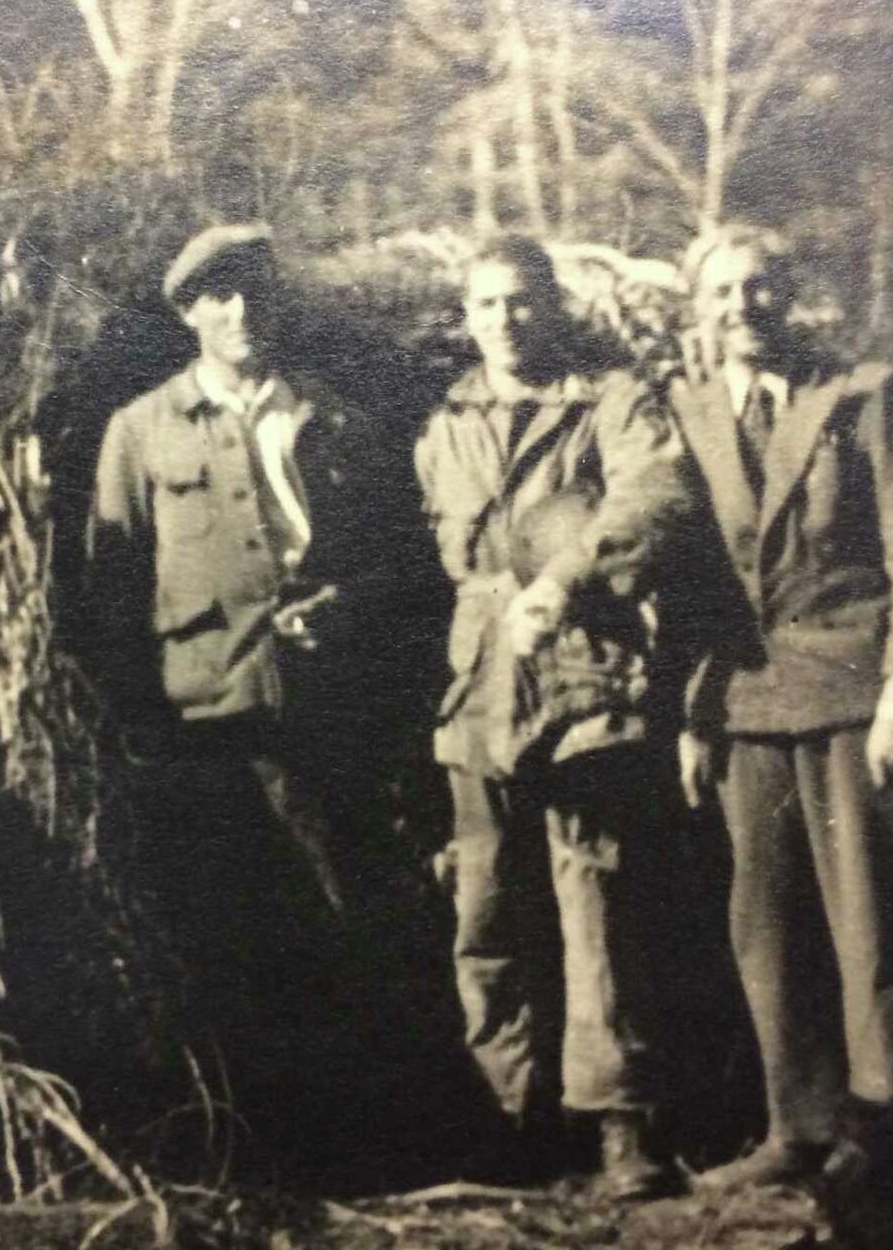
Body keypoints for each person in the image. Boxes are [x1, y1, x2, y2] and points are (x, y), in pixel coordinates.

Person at [669, 224, 893, 1213]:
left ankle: (886, 1124)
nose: (741, 307)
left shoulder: (861, 398)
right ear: (696, 309)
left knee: (865, 918)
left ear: (786, 297)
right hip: (747, 694)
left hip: (848, 683)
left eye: (758, 288)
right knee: (765, 920)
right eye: (721, 293)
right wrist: (694, 714)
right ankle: (796, 1125)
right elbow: (692, 580)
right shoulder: (690, 411)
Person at [85, 223, 382, 1173]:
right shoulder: (140, 431)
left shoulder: (325, 417)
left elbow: (390, 559)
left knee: (340, 912)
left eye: (254, 290)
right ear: (189, 314)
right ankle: (255, 1144)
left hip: (322, 706)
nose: (241, 311)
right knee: (230, 926)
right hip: (204, 720)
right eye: (219, 296)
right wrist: (136, 724)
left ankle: (358, 1138)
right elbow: (111, 587)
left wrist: (349, 605)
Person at [414, 235, 689, 1198]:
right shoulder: (446, 421)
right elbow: (442, 552)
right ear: (467, 313)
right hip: (481, 680)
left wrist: (568, 579)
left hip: (584, 669)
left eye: (521, 302)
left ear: (551, 304)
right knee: (484, 902)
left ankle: (618, 1123)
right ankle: (516, 1121)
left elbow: (655, 493)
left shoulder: (608, 399)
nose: (504, 321)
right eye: (486, 305)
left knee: (595, 896)